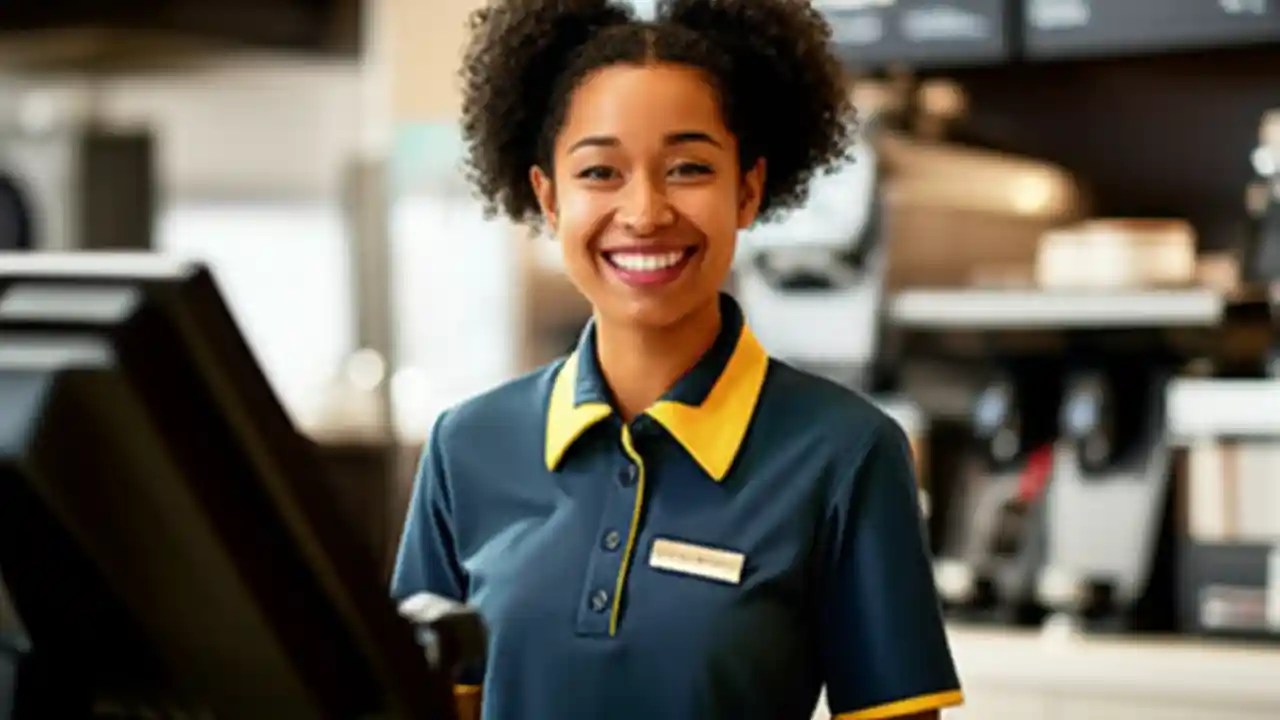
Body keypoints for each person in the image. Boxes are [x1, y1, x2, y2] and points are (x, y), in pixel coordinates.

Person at [390, 1, 963, 718]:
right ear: (548, 197)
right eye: (600, 172)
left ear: (748, 190)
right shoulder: (465, 448)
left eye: (688, 167)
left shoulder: (847, 455)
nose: (645, 212)